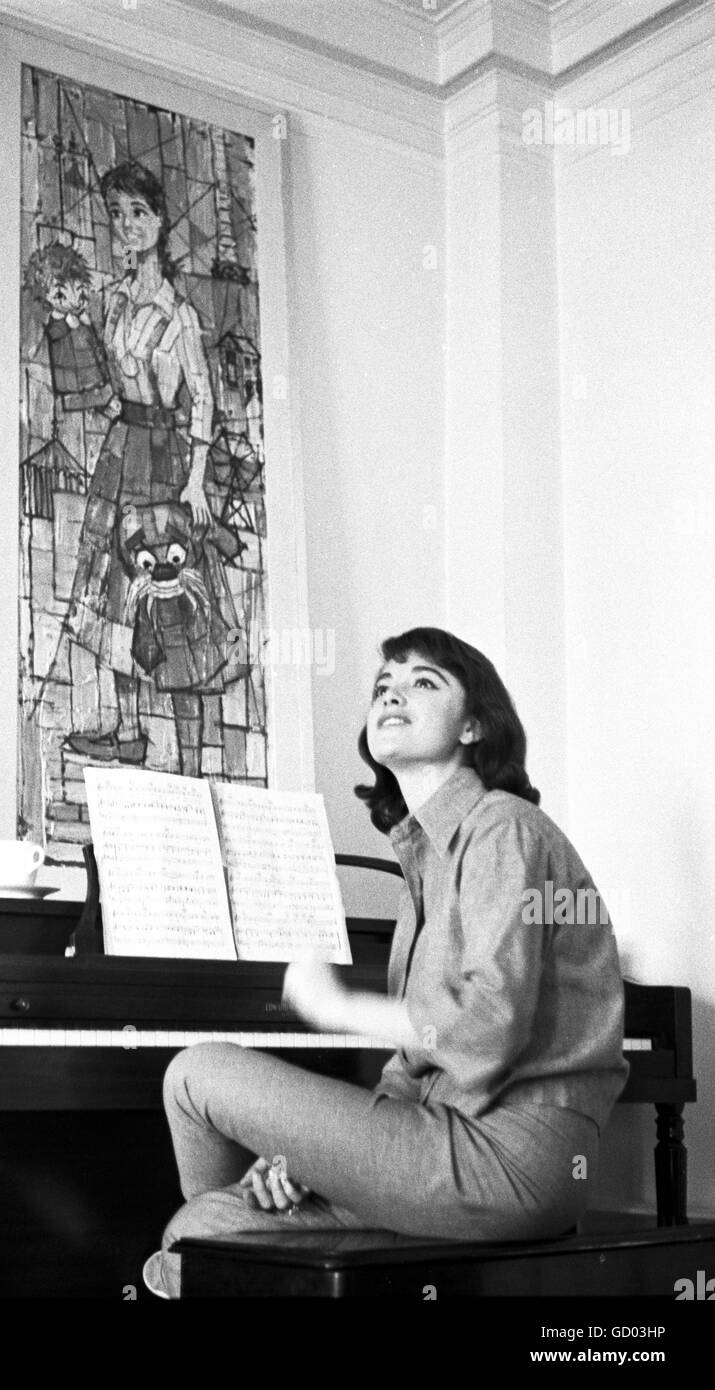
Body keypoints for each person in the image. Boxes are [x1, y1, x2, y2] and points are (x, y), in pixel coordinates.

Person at [142, 626, 629, 1297]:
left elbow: (488, 1028)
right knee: (203, 1230)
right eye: (382, 687)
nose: (391, 694)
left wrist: (338, 1006)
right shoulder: (424, 864)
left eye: (422, 682)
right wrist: (309, 1162)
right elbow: (413, 1071)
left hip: (510, 1158)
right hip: (440, 1142)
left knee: (194, 1075)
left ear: (473, 727)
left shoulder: (503, 829)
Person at [65, 161, 243, 769]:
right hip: (123, 449)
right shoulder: (111, 300)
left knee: (170, 590)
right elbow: (106, 377)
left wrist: (196, 480)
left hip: (165, 455)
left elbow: (204, 398)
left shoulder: (178, 313)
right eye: (116, 215)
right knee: (114, 584)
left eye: (137, 213)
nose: (125, 226)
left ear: (161, 221)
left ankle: (192, 756)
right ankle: (123, 727)